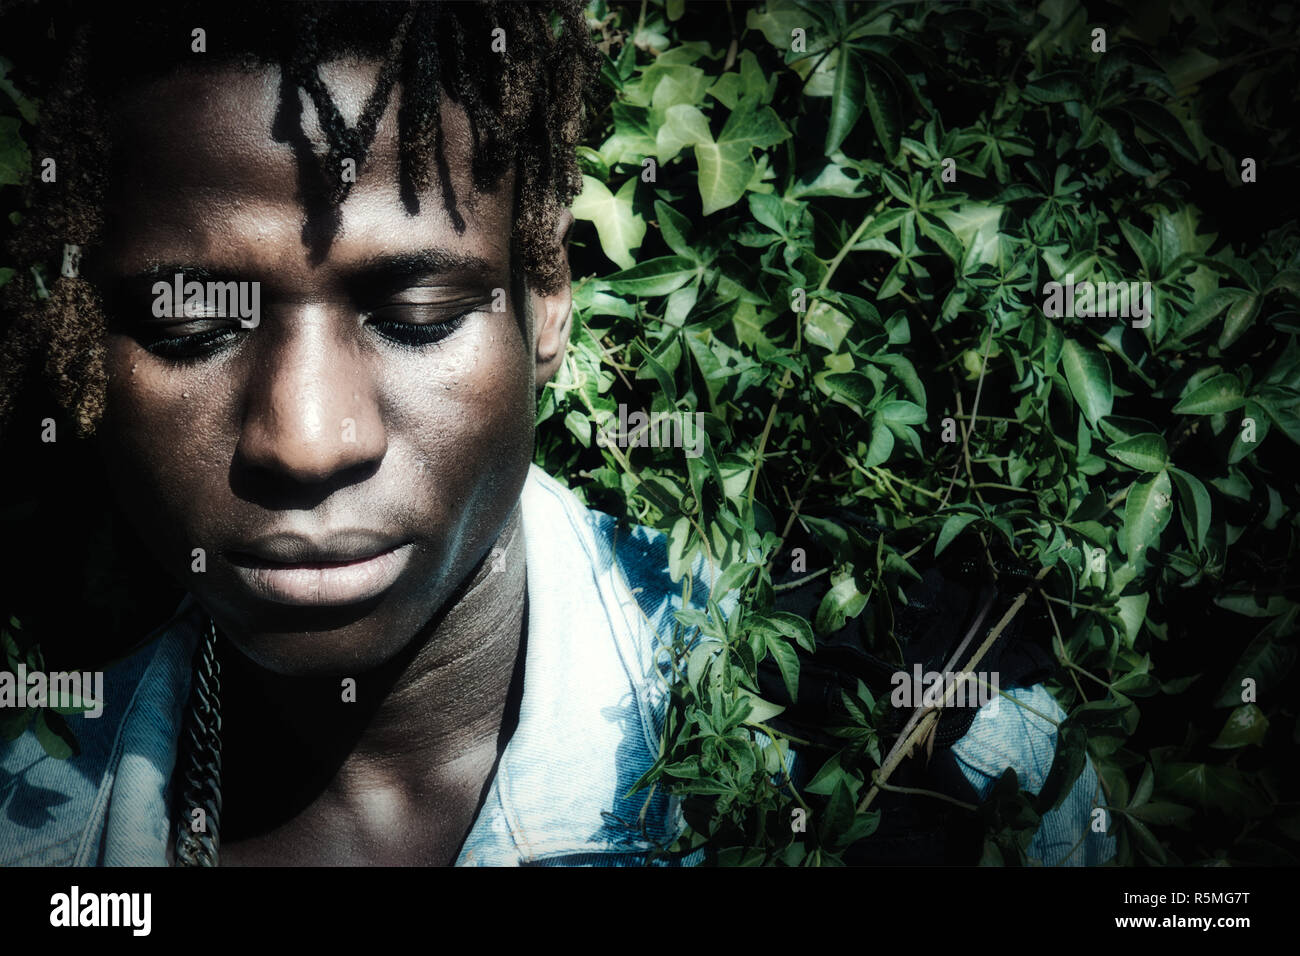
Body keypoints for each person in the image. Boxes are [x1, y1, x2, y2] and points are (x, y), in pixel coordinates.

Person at [0, 0, 1113, 867]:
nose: (308, 439)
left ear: (547, 309)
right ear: (79, 338)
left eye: (417, 314)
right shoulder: (29, 820)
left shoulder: (941, 751)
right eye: (192, 325)